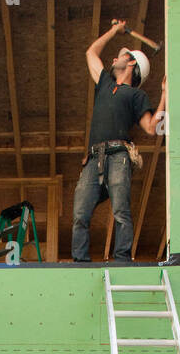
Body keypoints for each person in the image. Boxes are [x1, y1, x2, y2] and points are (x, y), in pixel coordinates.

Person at [71, 18, 166, 264]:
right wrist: (113, 31)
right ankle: (80, 261)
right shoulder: (104, 84)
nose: (115, 58)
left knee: (121, 211)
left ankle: (122, 259)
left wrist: (164, 95)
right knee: (80, 213)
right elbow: (91, 52)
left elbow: (151, 128)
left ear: (131, 63)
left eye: (121, 55)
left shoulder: (136, 94)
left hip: (119, 156)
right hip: (94, 158)